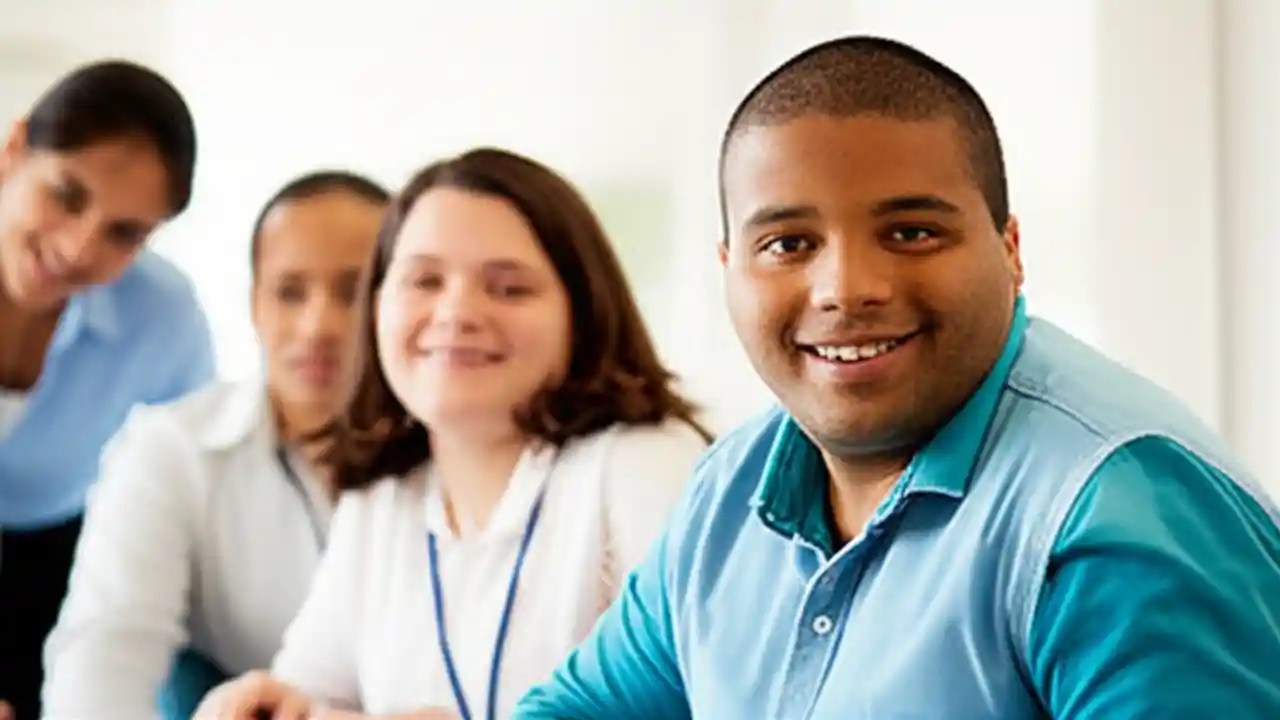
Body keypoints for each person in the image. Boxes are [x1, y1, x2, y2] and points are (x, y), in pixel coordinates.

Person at [514, 35, 1280, 719]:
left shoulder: (1113, 510)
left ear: (1010, 249)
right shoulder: (729, 493)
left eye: (911, 233)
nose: (846, 288)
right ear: (729, 269)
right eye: (787, 243)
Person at [193, 148, 712, 719]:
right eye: (424, 280)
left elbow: (719, 703)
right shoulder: (384, 498)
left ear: (582, 313)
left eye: (509, 288)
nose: (456, 312)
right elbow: (308, 692)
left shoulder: (641, 465)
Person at [39, 171, 390, 719]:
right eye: (289, 292)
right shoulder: (172, 448)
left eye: (354, 291)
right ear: (254, 304)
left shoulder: (457, 451)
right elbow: (105, 652)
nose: (318, 325)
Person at [0, 60, 214, 719]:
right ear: (13, 152)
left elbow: (196, 474)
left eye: (125, 233)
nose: (78, 246)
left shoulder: (164, 314)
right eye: (66, 194)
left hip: (54, 552)